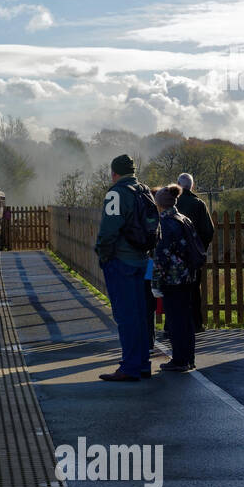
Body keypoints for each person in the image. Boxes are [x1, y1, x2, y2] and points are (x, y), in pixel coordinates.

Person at [94, 154, 157, 381]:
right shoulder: (145, 190)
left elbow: (108, 231)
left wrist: (103, 255)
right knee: (140, 315)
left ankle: (129, 367)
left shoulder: (116, 194)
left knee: (126, 316)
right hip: (142, 260)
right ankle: (142, 364)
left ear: (114, 173)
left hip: (121, 262)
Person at [151, 184, 197, 373]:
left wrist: (155, 283)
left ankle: (179, 360)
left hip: (172, 279)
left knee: (175, 320)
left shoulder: (165, 223)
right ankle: (189, 358)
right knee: (186, 319)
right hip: (188, 277)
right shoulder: (184, 219)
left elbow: (160, 256)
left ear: (160, 204)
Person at [175, 172, 214, 333]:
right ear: (192, 186)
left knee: (174, 291)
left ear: (178, 184)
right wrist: (200, 249)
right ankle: (196, 324)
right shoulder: (199, 204)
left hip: (174, 256)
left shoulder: (172, 202)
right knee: (193, 289)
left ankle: (173, 325)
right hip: (192, 256)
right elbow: (208, 231)